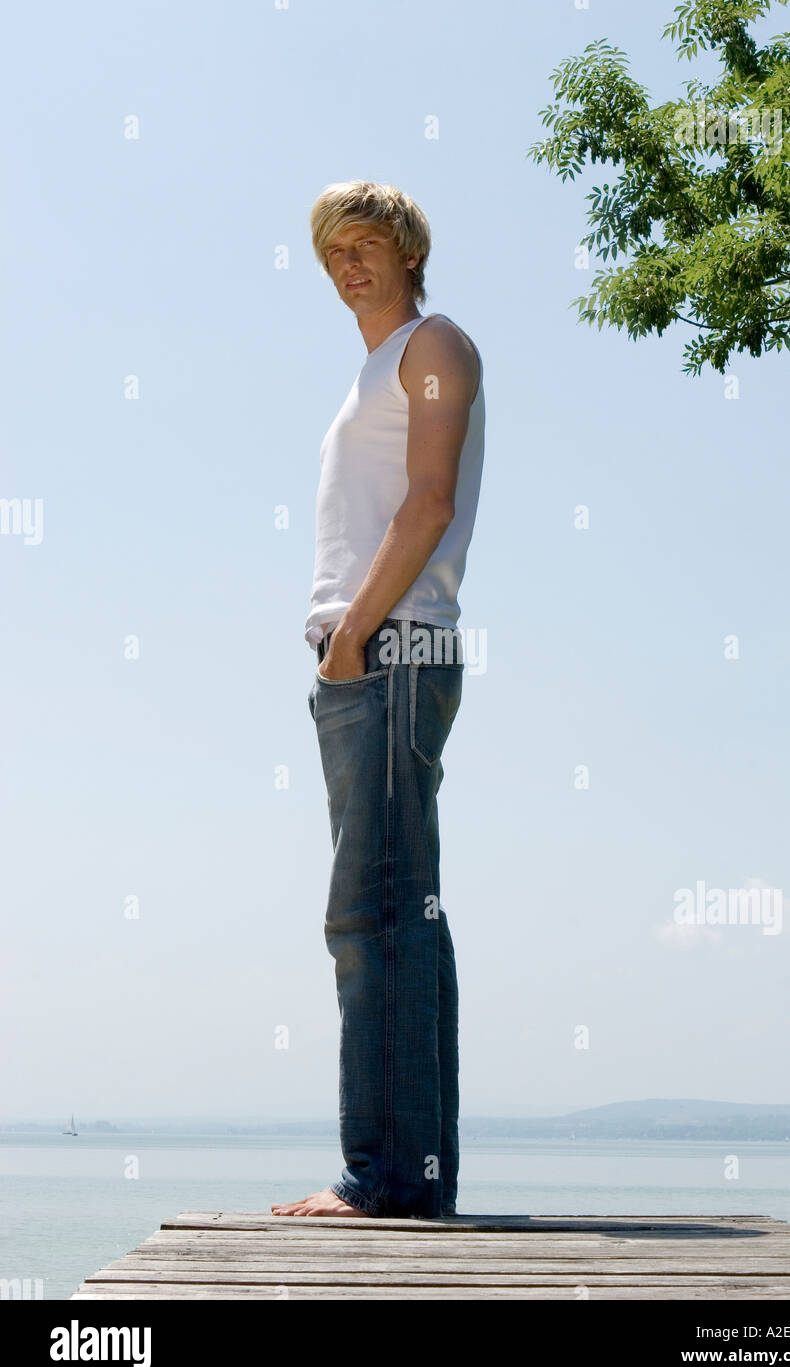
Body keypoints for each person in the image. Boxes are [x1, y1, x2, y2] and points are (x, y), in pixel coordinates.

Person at [272, 180, 485, 1219]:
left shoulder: (432, 346)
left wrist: (351, 635)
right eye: (330, 253)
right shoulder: (370, 373)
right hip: (369, 657)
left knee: (372, 917)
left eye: (364, 244)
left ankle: (385, 1179)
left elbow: (429, 500)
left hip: (389, 653)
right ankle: (414, 1174)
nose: (346, 263)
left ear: (407, 251)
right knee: (402, 916)